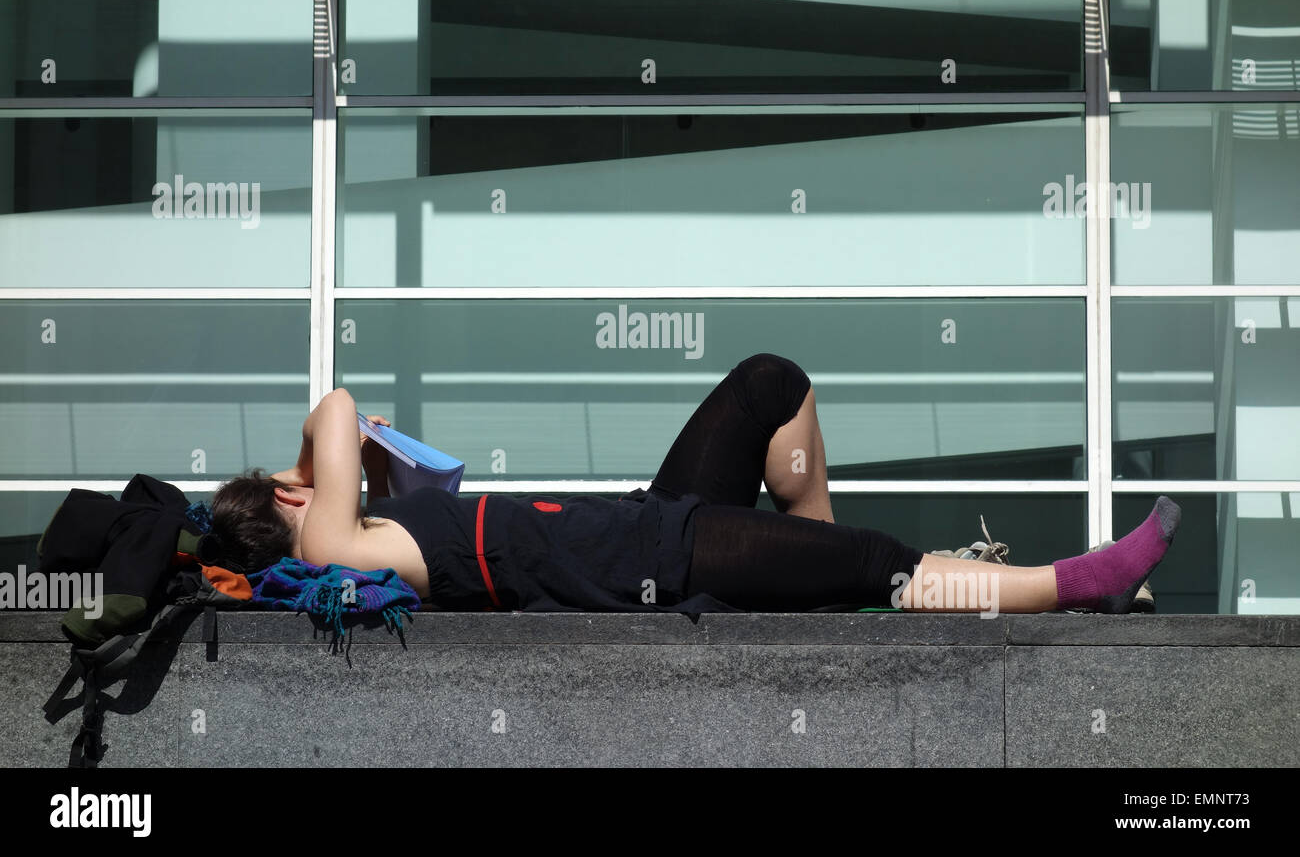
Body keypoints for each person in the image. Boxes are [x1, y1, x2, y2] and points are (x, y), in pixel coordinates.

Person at [209, 354, 1178, 615]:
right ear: (295, 501)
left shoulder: (372, 537)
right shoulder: (333, 546)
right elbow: (335, 404)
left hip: (647, 522)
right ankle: (1075, 579)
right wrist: (313, 468)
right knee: (884, 561)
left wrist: (362, 474)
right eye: (310, 486)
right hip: (654, 568)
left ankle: (816, 587)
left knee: (769, 386)